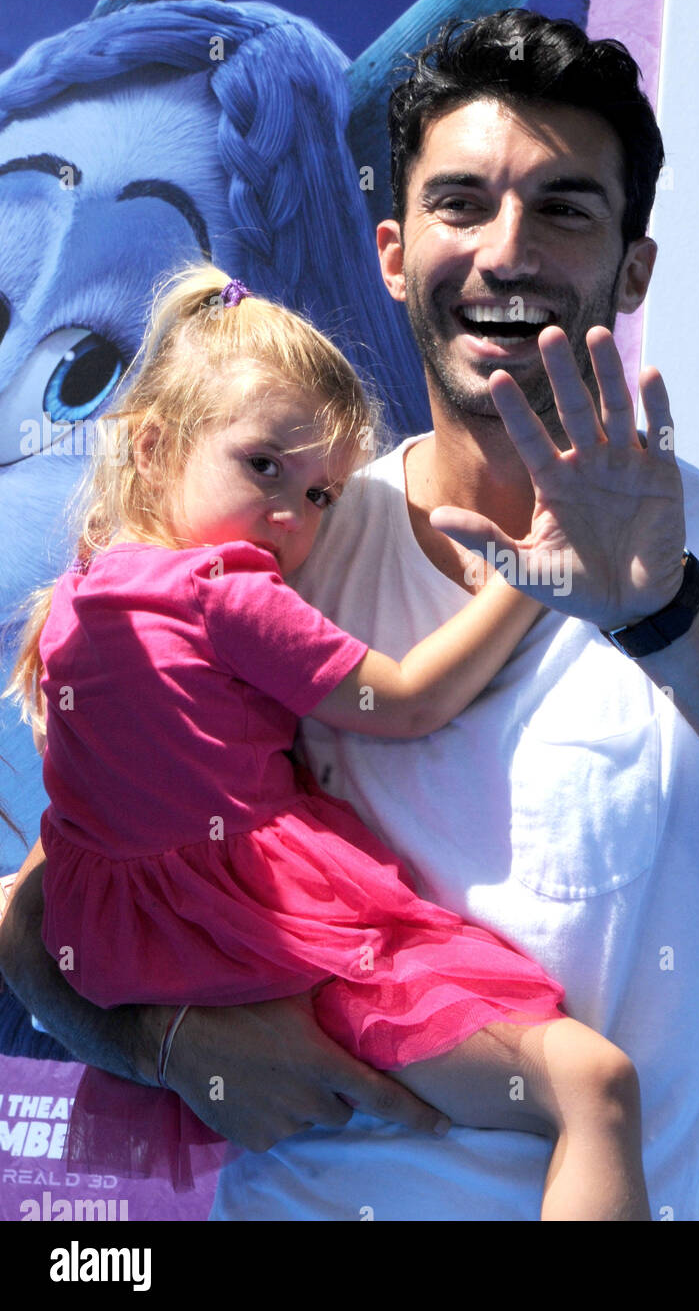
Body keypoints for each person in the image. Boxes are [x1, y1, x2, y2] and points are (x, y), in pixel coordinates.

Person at [0, 11, 699, 1222]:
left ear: (634, 270)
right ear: (394, 251)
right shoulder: (272, 546)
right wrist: (178, 1048)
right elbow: (42, 922)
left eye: (566, 209)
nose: (507, 251)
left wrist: (669, 618)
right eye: (462, 204)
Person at [3, 264, 651, 1221]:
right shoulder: (226, 592)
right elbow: (410, 701)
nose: (289, 518)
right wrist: (532, 580)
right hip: (282, 936)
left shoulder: (69, 613)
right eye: (265, 466)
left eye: (321, 496)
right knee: (593, 1088)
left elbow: (53, 869)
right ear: (150, 445)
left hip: (141, 963)